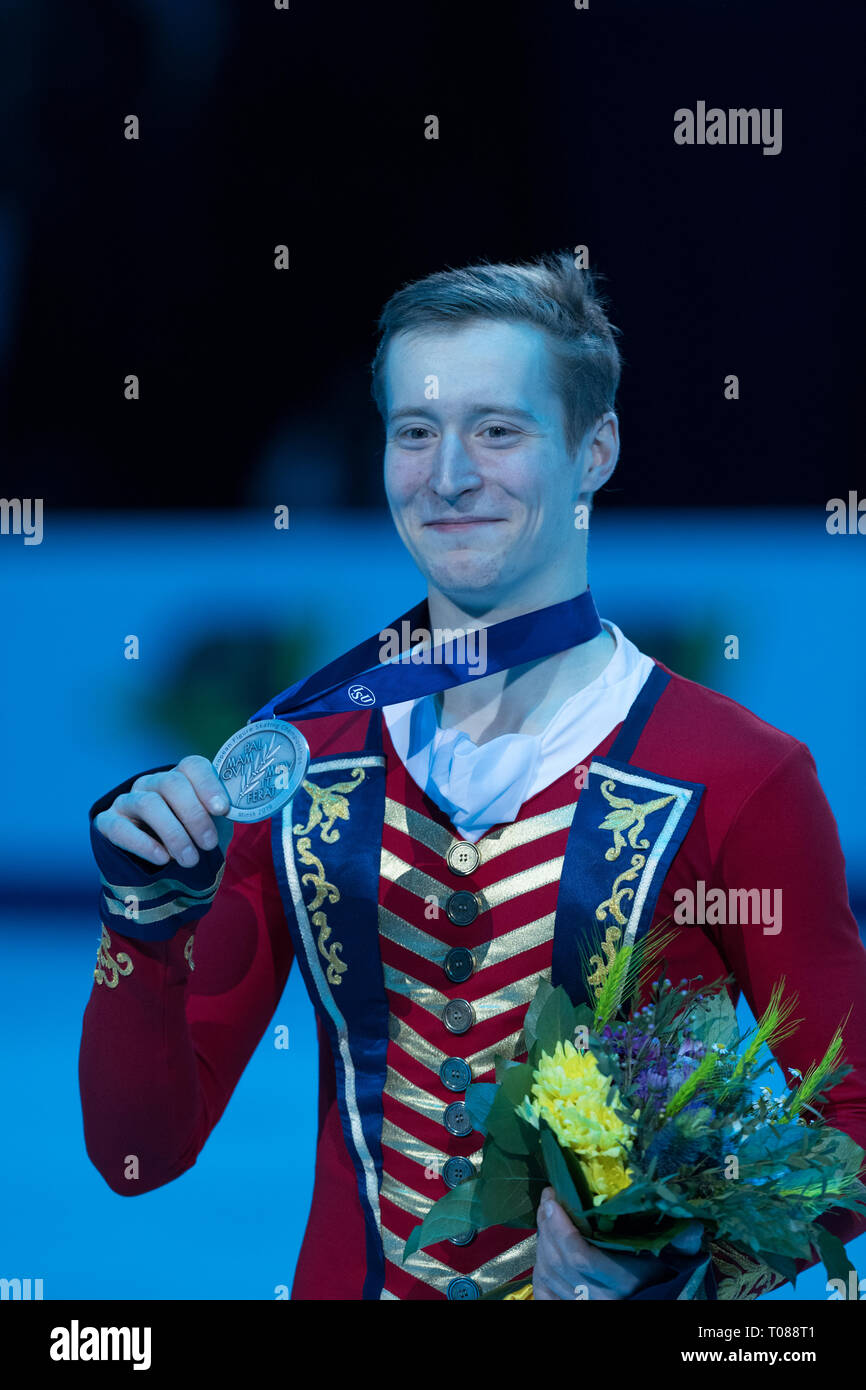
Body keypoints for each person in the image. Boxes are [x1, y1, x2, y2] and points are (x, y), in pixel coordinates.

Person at [81, 252, 866, 1301]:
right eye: (415, 431)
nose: (448, 475)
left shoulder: (736, 774)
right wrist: (146, 918)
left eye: (496, 430)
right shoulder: (301, 770)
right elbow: (141, 1156)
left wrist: (694, 1245)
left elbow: (852, 1123)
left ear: (594, 450)